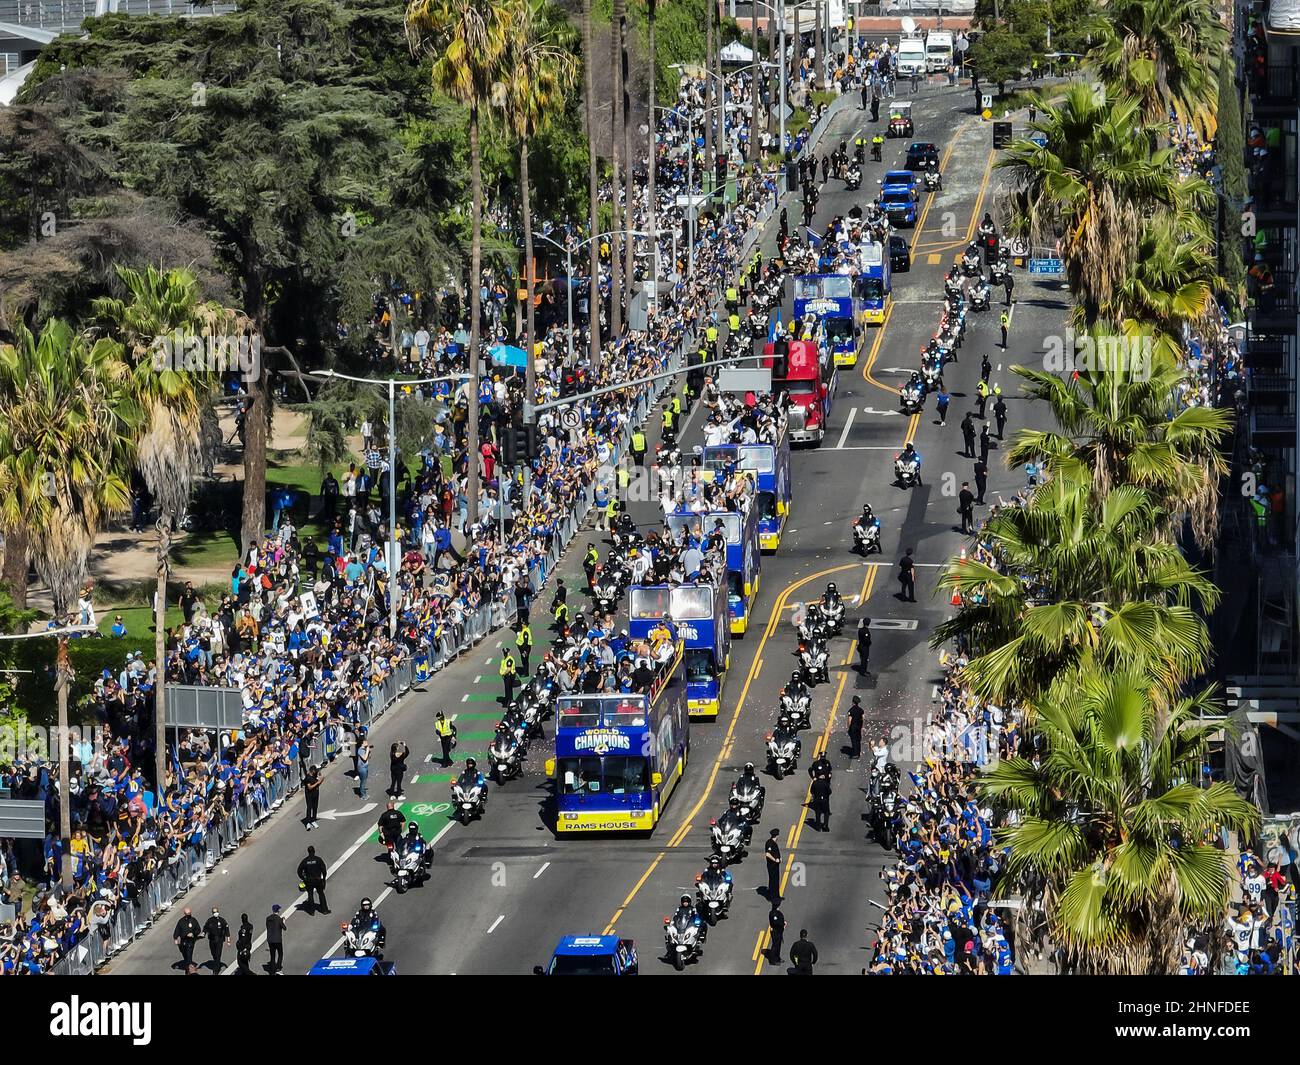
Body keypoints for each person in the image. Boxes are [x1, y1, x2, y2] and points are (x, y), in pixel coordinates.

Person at [298, 845, 329, 913]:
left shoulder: (305, 861)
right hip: (318, 880)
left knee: (310, 895)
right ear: (314, 851)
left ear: (308, 852)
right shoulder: (318, 859)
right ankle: (324, 910)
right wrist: (323, 879)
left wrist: (304, 878)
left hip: (309, 881)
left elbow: (299, 871)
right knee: (321, 894)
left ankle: (311, 911)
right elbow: (324, 870)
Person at [173, 906, 201, 974]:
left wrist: (193, 934)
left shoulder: (193, 920)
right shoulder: (181, 921)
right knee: (185, 955)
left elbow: (198, 929)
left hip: (190, 942)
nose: (189, 915)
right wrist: (175, 938)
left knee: (189, 956)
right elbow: (177, 930)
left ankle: (188, 971)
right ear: (184, 914)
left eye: (190, 914)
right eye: (187, 914)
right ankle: (188, 966)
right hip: (183, 941)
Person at [203, 907, 230, 973]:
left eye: (216, 912)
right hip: (212, 940)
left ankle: (216, 970)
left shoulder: (222, 920)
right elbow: (205, 927)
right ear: (212, 913)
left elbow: (226, 929)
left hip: (219, 939)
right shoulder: (209, 920)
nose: (215, 913)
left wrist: (228, 940)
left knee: (218, 954)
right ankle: (217, 962)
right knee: (213, 953)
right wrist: (203, 933)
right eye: (214, 912)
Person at [265, 904, 286, 975]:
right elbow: (284, 928)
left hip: (270, 939)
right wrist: (283, 922)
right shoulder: (279, 919)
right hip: (277, 940)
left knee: (272, 954)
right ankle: (278, 968)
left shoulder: (268, 918)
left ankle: (272, 970)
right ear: (278, 910)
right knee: (280, 953)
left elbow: (268, 927)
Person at [765, 827, 782, 903]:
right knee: (773, 881)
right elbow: (767, 854)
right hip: (772, 865)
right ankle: (772, 897)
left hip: (775, 865)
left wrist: (779, 858)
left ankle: (777, 896)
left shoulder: (773, 843)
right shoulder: (769, 843)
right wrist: (775, 859)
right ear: (777, 835)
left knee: (776, 880)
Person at [303, 764, 322, 830]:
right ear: (313, 770)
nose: (317, 772)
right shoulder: (308, 778)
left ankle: (313, 820)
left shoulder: (315, 776)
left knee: (315, 807)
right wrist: (317, 783)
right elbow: (309, 787)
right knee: (309, 807)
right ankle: (308, 822)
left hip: (316, 793)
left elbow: (318, 784)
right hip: (309, 794)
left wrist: (321, 780)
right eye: (316, 770)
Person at [355, 735, 371, 799]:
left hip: (365, 766)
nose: (367, 742)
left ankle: (363, 792)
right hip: (362, 768)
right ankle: (362, 795)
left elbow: (367, 757)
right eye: (365, 741)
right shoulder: (360, 750)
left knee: (364, 780)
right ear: (362, 742)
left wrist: (368, 752)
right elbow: (364, 758)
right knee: (363, 781)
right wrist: (367, 751)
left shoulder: (364, 749)